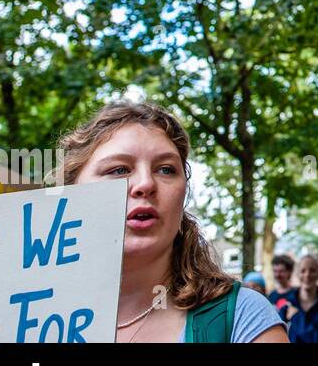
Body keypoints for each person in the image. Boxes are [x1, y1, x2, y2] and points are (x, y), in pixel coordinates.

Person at [61, 101, 286, 343]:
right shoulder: (25, 314)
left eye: (166, 169)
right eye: (118, 170)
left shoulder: (242, 317)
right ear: (71, 191)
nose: (146, 183)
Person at [280, 254, 318, 343]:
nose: (307, 275)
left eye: (312, 270)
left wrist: (297, 317)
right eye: (303, 271)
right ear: (298, 274)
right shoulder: (288, 306)